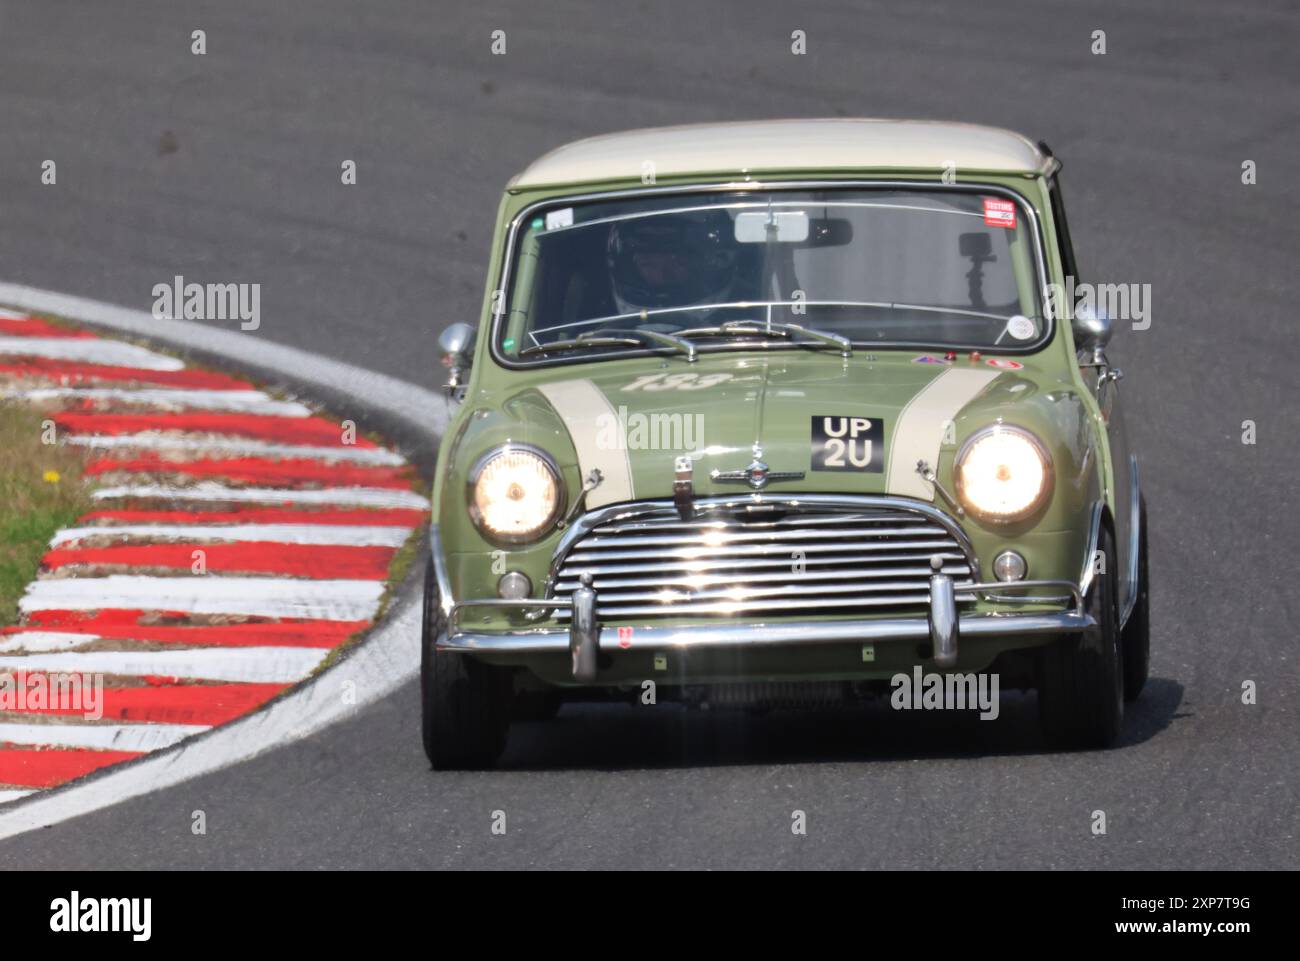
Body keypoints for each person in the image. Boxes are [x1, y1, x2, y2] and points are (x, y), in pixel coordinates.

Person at [605, 209, 742, 318]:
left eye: (674, 261)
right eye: (649, 265)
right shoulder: (604, 329)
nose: (661, 276)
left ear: (702, 262)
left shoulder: (745, 320)